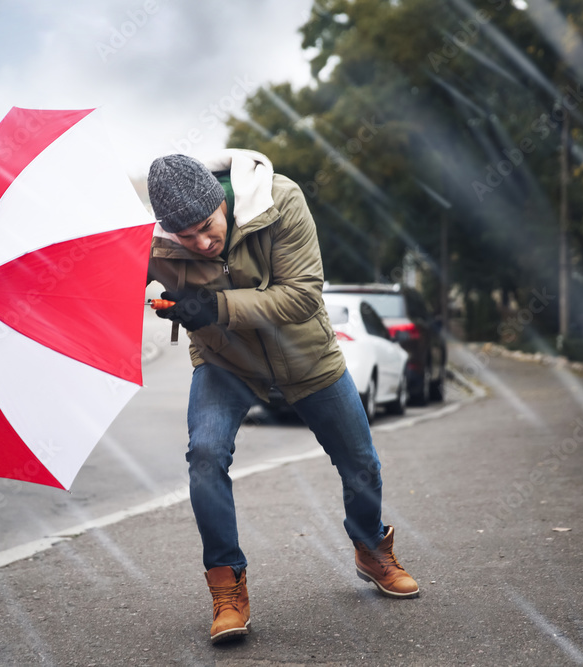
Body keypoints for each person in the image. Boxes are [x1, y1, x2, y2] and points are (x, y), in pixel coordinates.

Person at [145, 149, 418, 644]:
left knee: (360, 464)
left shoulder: (280, 200)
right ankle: (227, 585)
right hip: (226, 364)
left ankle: (370, 545)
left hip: (306, 356)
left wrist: (214, 306)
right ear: (170, 233)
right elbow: (130, 296)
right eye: (188, 237)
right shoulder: (156, 249)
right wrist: (166, 304)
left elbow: (301, 295)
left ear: (221, 200)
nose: (203, 243)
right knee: (205, 454)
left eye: (209, 226)